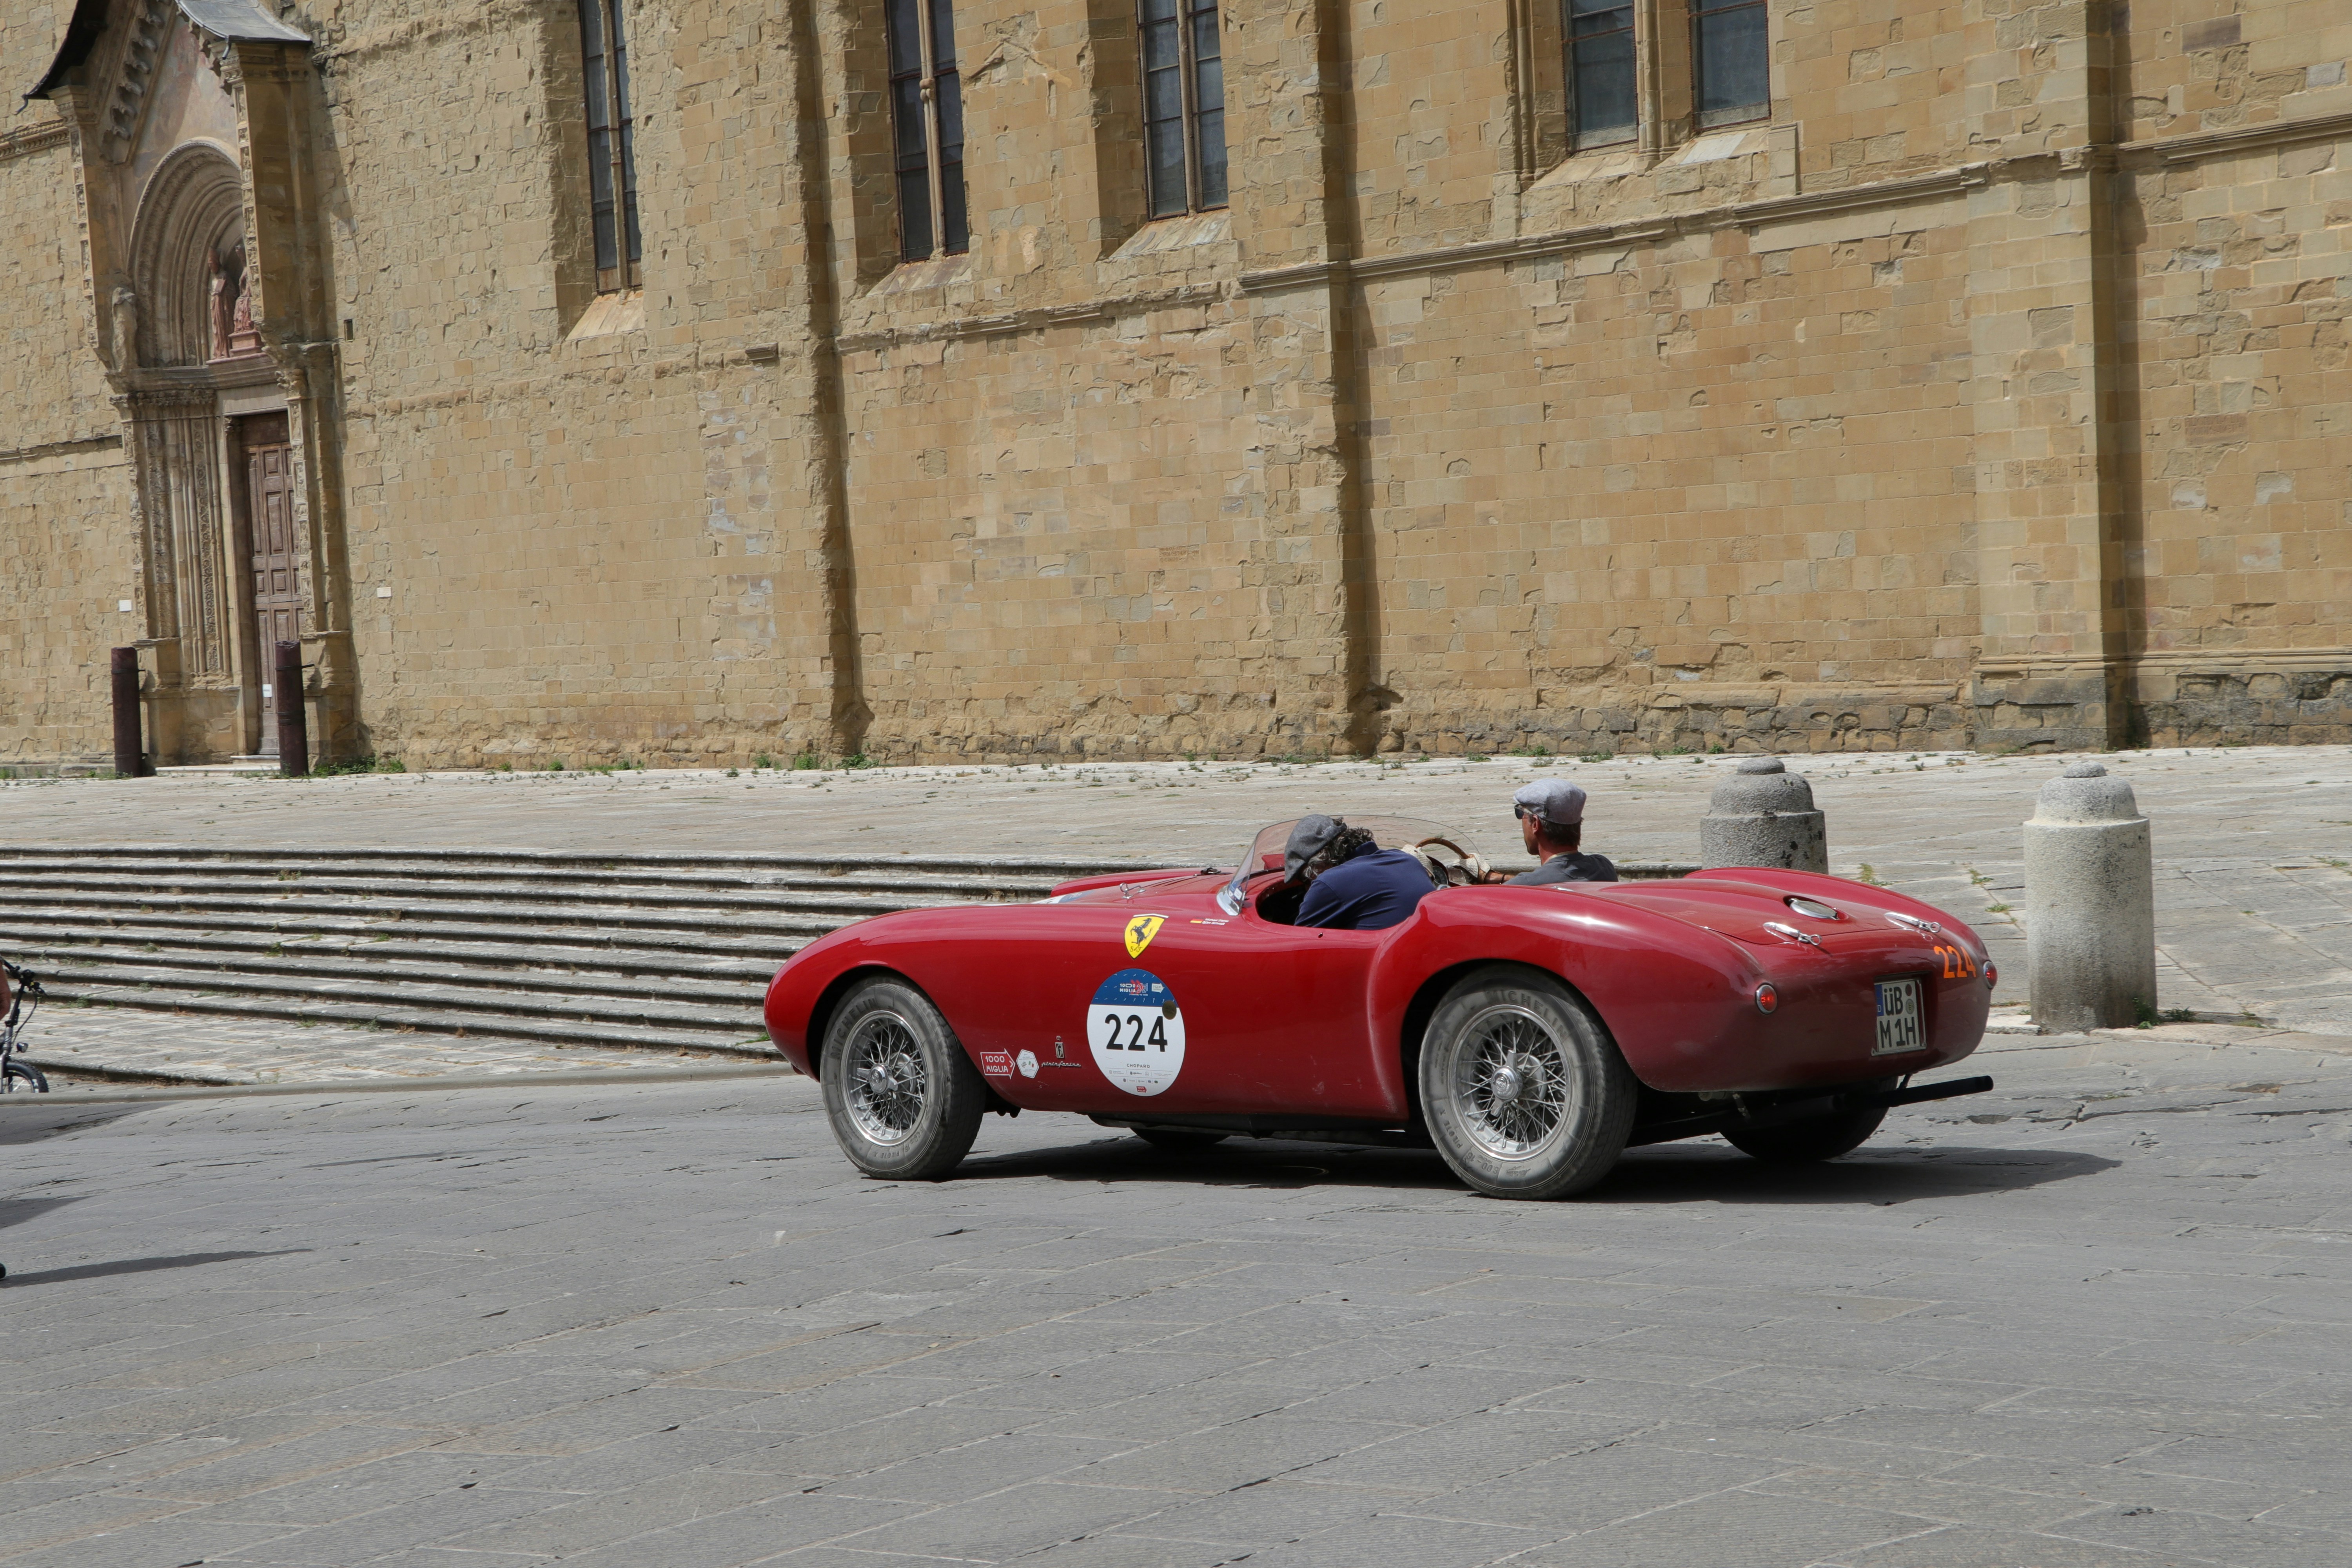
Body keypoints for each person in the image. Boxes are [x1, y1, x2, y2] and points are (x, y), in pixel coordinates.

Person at [1284, 815, 1435, 930]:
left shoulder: (1329, 883)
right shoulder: (1407, 860)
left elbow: (1298, 946)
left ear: (1318, 866)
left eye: (1305, 880)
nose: (1307, 889)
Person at [1494, 779, 1618, 885]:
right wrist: (1500, 879)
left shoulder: (1524, 886)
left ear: (1536, 824)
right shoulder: (1603, 867)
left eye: (1521, 813)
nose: (1521, 819)